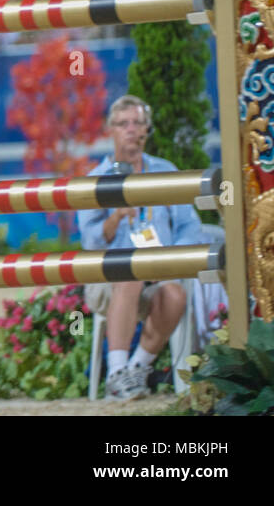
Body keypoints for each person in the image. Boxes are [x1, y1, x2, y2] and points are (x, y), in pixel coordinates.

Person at [77, 95, 204, 400]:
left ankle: (134, 371)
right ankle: (116, 370)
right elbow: (90, 241)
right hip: (106, 280)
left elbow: (190, 226)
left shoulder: (165, 171)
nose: (131, 130)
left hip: (156, 277)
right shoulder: (96, 180)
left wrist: (171, 263)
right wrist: (117, 215)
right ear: (111, 130)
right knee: (131, 272)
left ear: (148, 129)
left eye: (137, 123)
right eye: (123, 124)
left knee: (175, 294)